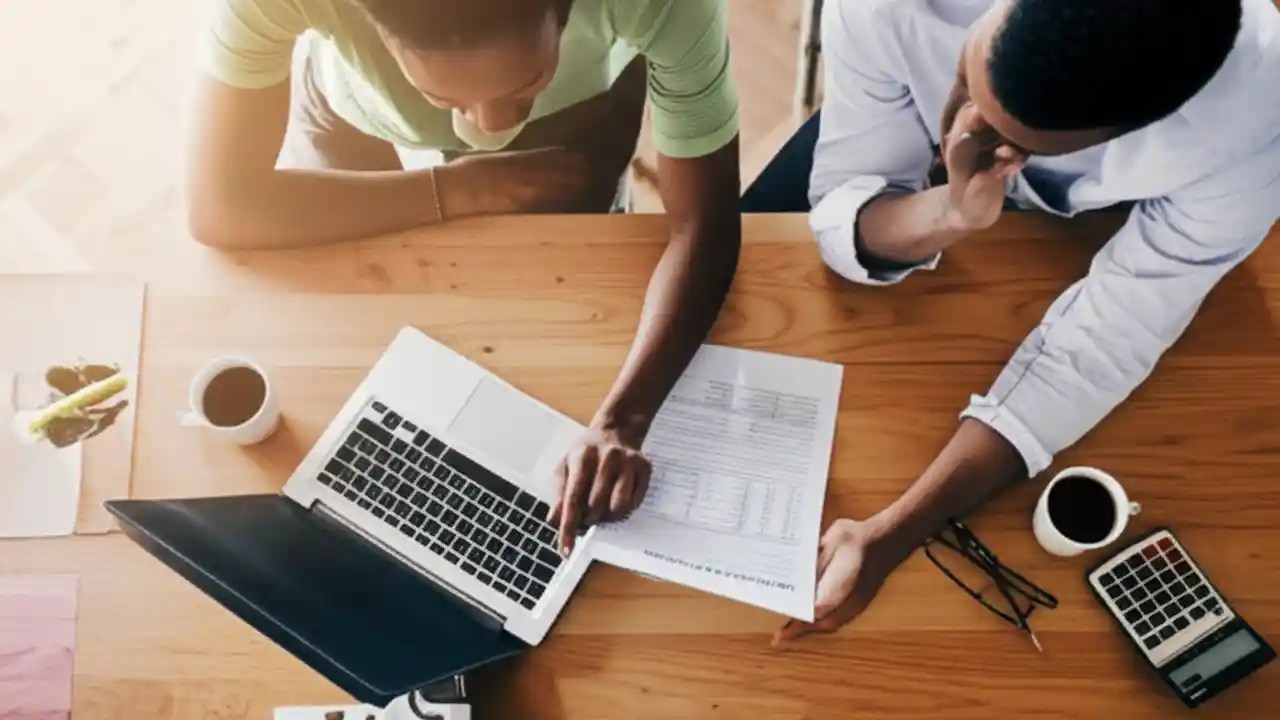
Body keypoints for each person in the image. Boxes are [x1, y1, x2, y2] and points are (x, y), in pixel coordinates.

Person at [779, 0, 1280, 641]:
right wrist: (951, 213)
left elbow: (1107, 340)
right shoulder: (891, 9)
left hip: (1090, 225)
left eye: (1016, 143)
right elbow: (847, 210)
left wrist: (893, 532)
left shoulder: (1254, 117)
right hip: (895, 150)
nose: (969, 127)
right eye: (966, 82)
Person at [186, 0, 742, 548]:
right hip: (358, 120)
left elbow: (703, 224)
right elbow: (221, 207)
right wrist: (454, 189)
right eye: (440, 96)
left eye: (524, 85)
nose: (486, 130)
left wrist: (622, 420)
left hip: (578, 118)